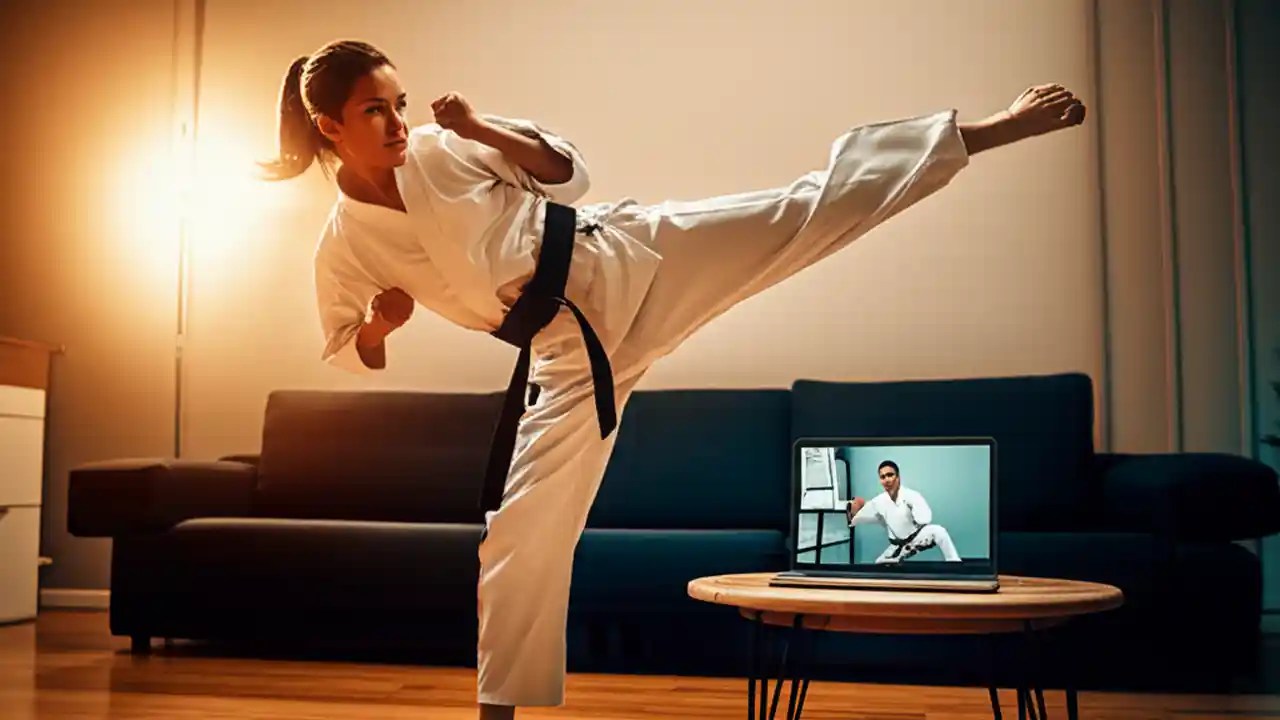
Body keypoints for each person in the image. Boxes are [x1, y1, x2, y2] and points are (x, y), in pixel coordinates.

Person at [258, 39, 1085, 720]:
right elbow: (350, 347)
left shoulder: (445, 146)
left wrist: (482, 126)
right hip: (567, 354)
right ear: (332, 127)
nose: (398, 120)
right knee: (519, 533)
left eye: (399, 101)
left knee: (798, 210)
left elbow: (566, 172)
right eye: (376, 109)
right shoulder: (345, 247)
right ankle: (498, 712)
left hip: (625, 257)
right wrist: (380, 328)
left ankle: (982, 133)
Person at [845, 460, 961, 563]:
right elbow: (858, 513)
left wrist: (913, 509)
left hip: (916, 538)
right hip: (897, 546)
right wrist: (857, 505)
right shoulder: (879, 501)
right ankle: (895, 561)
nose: (887, 480)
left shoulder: (911, 495)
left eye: (890, 475)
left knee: (939, 531)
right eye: (883, 477)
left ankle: (955, 564)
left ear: (898, 477)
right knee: (879, 564)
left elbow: (925, 519)